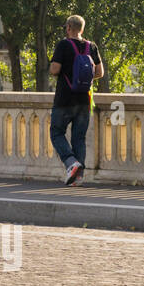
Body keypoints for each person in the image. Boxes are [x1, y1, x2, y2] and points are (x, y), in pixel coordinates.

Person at [48, 15, 104, 186]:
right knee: (79, 138)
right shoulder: (91, 46)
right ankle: (77, 177)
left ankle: (71, 163)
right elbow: (100, 73)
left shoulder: (64, 45)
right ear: (82, 29)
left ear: (68, 28)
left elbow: (55, 69)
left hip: (64, 99)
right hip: (84, 100)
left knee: (56, 132)